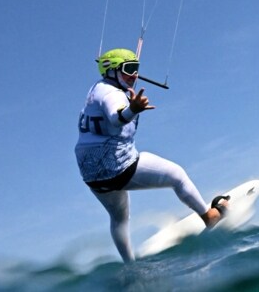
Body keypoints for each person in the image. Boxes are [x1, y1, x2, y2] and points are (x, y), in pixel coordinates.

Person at [75, 48, 227, 263]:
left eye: (136, 69)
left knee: (119, 218)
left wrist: (130, 102)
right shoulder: (111, 94)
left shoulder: (96, 90)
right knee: (176, 174)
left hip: (92, 175)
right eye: (128, 69)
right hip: (117, 167)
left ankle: (130, 267)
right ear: (111, 71)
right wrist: (132, 110)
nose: (134, 74)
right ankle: (209, 216)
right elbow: (115, 117)